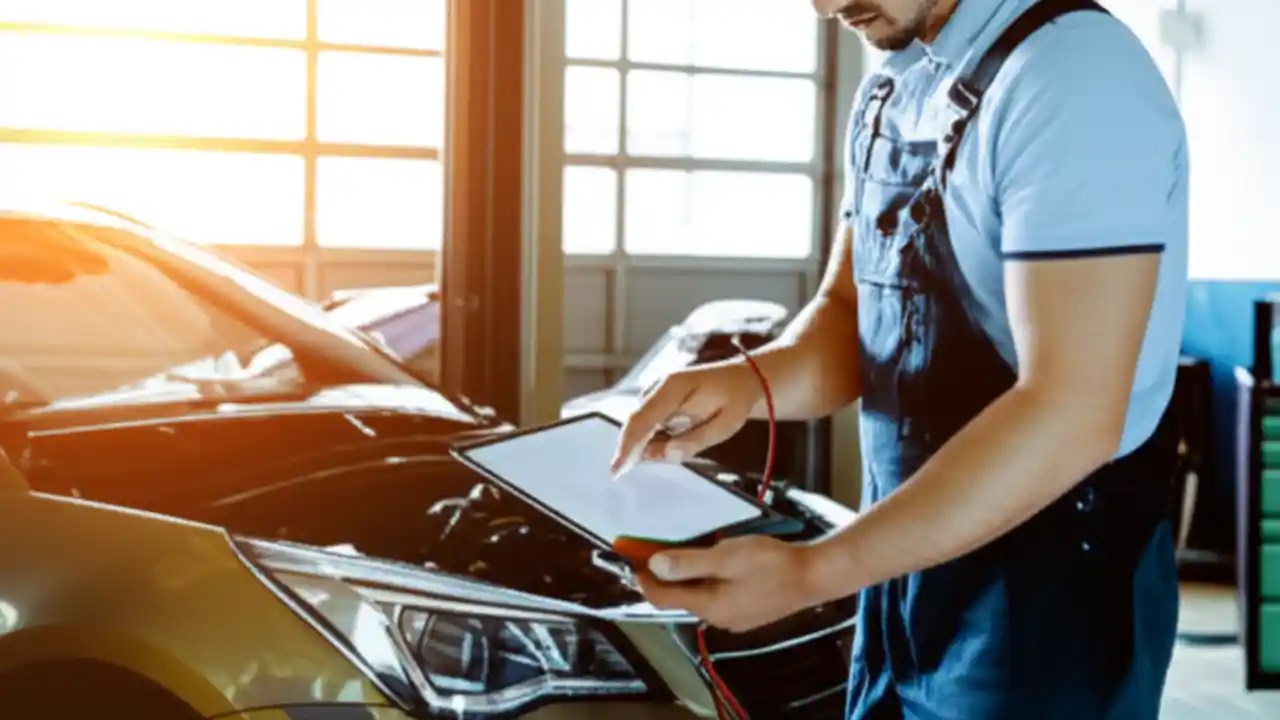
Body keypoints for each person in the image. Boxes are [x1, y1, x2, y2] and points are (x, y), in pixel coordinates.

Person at [610, 0, 1189, 717]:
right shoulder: (893, 83)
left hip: (1045, 599)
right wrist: (748, 383)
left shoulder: (1075, 76)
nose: (824, 7)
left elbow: (1070, 410)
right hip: (903, 564)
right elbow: (851, 317)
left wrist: (814, 572)